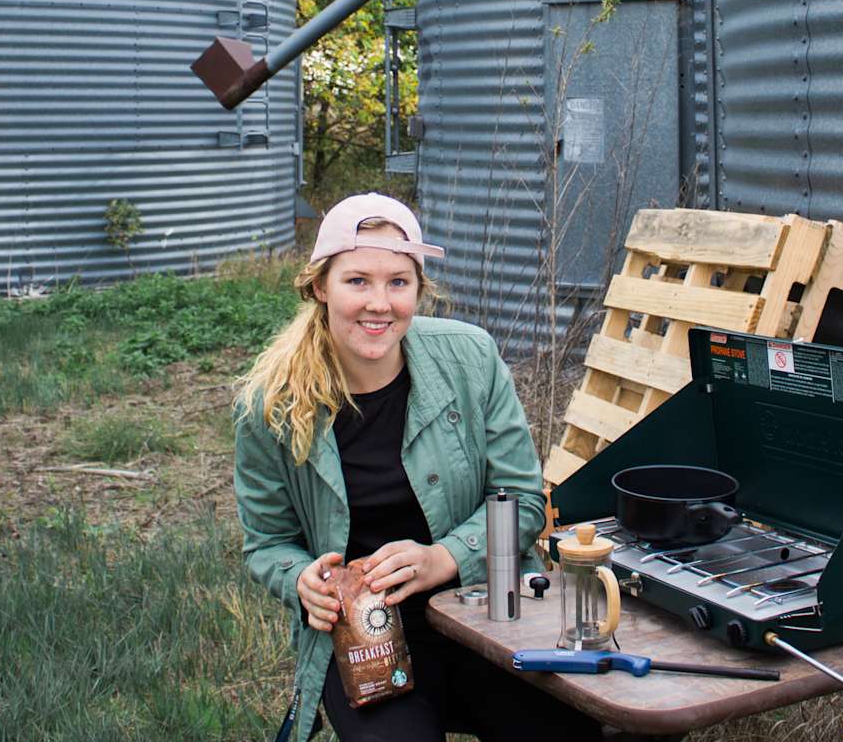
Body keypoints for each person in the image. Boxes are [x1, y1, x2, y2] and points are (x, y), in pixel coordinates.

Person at [234, 193, 600, 742]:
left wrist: (444, 557)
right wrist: (300, 580)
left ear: (419, 289)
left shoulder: (471, 359)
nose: (379, 304)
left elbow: (524, 501)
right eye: (357, 281)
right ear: (318, 287)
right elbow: (268, 543)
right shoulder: (272, 406)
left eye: (398, 283)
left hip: (491, 613)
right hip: (366, 637)